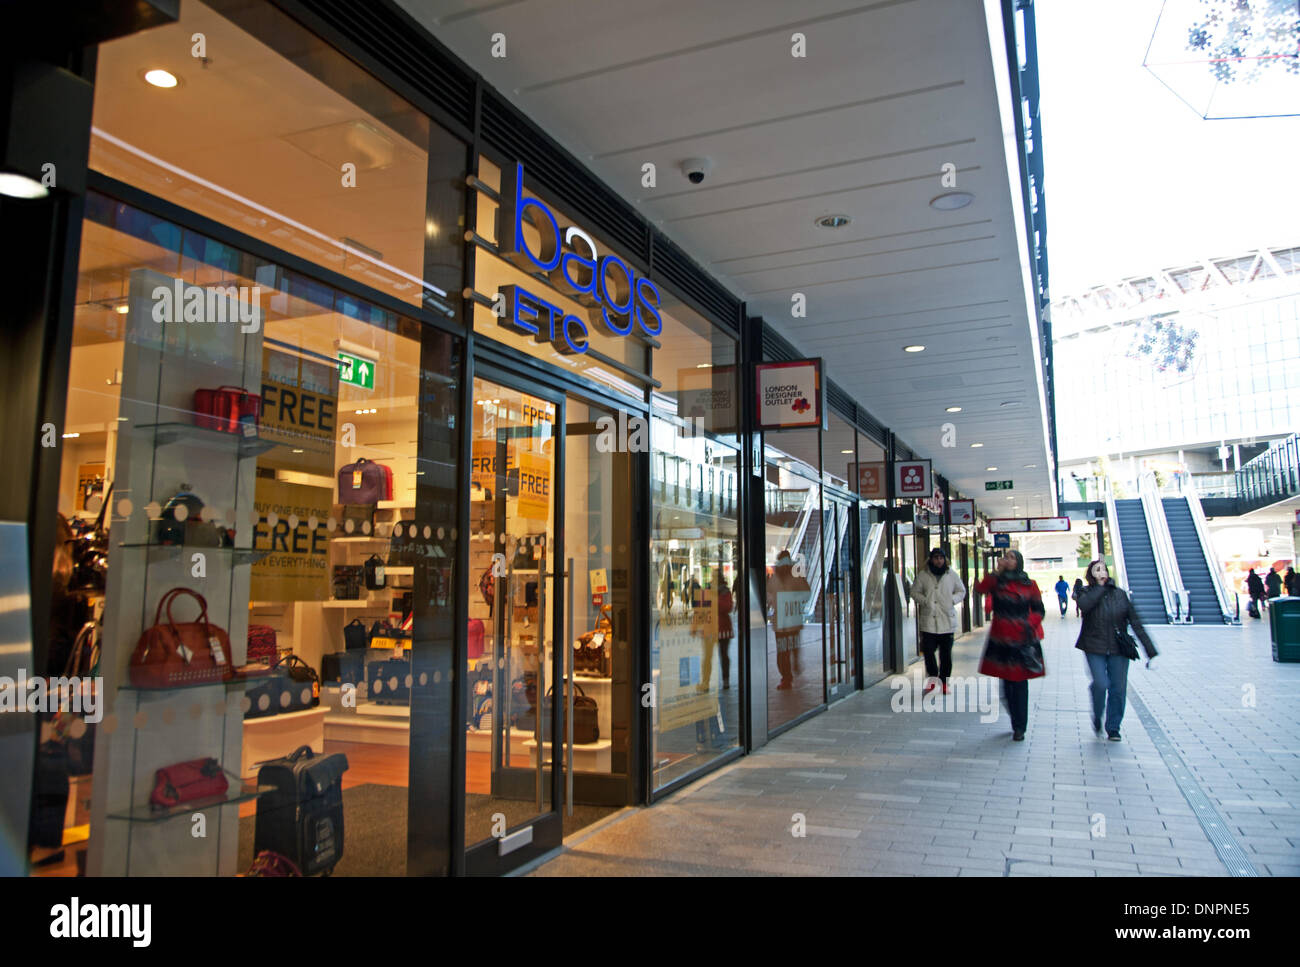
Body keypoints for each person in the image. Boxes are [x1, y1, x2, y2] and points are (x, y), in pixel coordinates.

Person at [1075, 559, 1157, 741]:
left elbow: (1135, 622)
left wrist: (1150, 650)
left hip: (1118, 648)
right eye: (1097, 570)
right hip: (1093, 646)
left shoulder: (1120, 594)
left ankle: (1113, 727)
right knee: (1100, 683)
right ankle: (1097, 714)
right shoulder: (1085, 593)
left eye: (1103, 569)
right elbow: (1085, 606)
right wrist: (1100, 588)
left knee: (1118, 688)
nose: (1101, 573)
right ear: (1090, 574)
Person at [974, 549, 1045, 741]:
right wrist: (996, 572)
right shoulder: (997, 582)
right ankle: (1016, 718)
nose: (1007, 560)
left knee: (1019, 683)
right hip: (1001, 640)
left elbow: (1039, 610)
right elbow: (980, 589)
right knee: (1006, 685)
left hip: (1022, 639)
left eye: (1012, 557)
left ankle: (1020, 726)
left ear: (1019, 562)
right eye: (1006, 557)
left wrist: (1028, 624)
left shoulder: (1029, 584)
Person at [910, 547, 967, 694]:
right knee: (928, 652)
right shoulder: (923, 575)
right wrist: (925, 601)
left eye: (941, 558)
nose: (939, 561)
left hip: (947, 621)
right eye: (936, 558)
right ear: (931, 559)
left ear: (945, 559)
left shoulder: (951, 574)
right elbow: (914, 592)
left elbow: (961, 591)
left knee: (946, 655)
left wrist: (952, 600)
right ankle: (933, 678)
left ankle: (944, 682)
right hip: (929, 621)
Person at [768, 550, 810, 690]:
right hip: (788, 621)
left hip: (786, 620)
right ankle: (789, 673)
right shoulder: (783, 577)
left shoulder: (779, 577)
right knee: (787, 649)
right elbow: (806, 593)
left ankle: (788, 675)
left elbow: (769, 596)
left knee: (784, 650)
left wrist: (787, 602)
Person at [716, 578, 734, 689]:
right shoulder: (710, 591)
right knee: (709, 656)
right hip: (714, 627)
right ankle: (707, 680)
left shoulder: (725, 592)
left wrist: (715, 602)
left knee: (723, 654)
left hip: (723, 628)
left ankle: (725, 679)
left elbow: (728, 607)